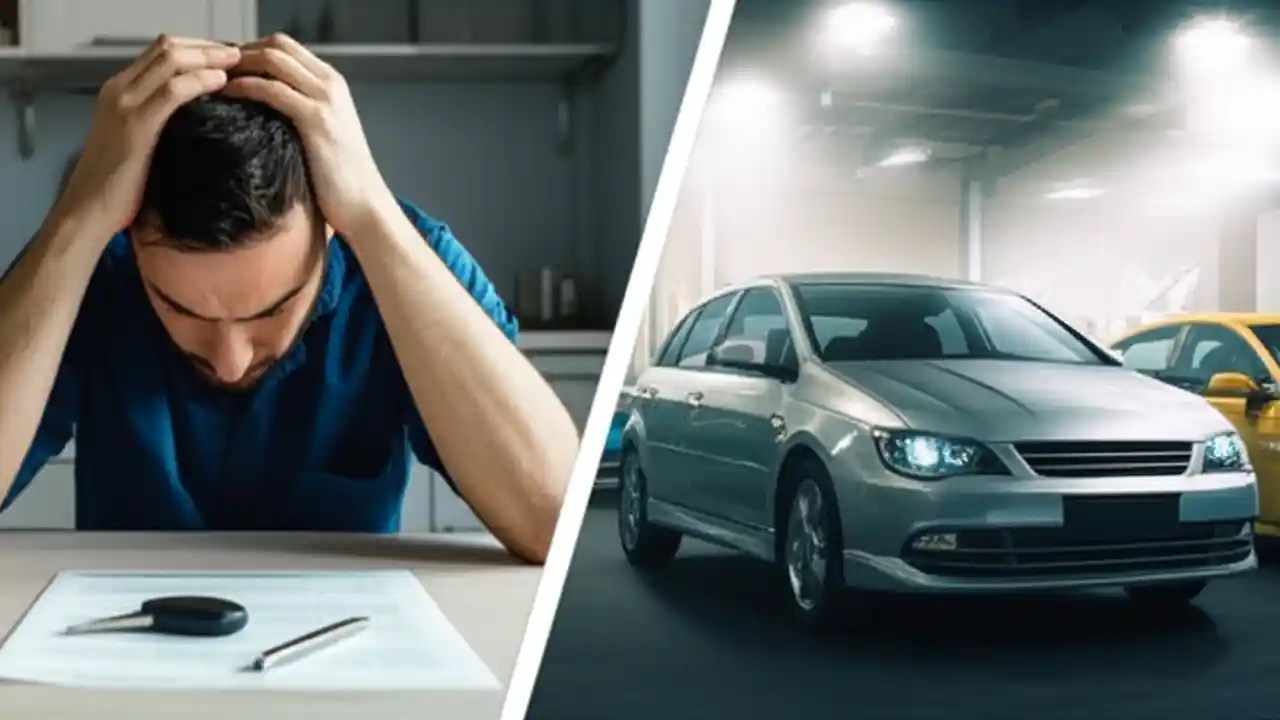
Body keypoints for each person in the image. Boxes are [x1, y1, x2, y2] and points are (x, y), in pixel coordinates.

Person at [0, 34, 581, 563]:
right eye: (179, 308)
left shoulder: (402, 255)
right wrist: (77, 218)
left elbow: (555, 520)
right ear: (129, 237)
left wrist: (370, 215)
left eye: (273, 310)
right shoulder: (94, 267)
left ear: (331, 226)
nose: (230, 362)